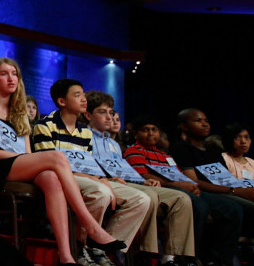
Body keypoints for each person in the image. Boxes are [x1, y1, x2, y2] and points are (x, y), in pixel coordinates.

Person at [0, 58, 124, 266]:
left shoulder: (19, 112)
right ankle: (91, 225)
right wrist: (26, 159)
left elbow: (28, 152)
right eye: (4, 74)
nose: (11, 78)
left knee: (51, 177)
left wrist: (28, 160)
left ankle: (66, 257)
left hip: (19, 165)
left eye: (14, 74)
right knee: (56, 157)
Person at [31, 79, 150, 264]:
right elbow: (47, 164)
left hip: (86, 177)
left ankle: (99, 250)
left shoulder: (85, 132)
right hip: (63, 178)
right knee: (100, 192)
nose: (83, 99)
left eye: (84, 95)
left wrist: (101, 178)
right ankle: (80, 248)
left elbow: (88, 164)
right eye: (77, 95)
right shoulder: (44, 126)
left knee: (141, 199)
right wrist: (97, 180)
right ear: (62, 101)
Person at [83, 91, 196, 266]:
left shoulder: (113, 144)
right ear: (88, 115)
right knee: (149, 196)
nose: (109, 117)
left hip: (124, 182)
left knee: (181, 199)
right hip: (101, 182)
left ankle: (172, 258)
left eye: (111, 112)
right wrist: (105, 178)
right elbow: (83, 166)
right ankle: (142, 253)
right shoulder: (83, 136)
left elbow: (124, 170)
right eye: (102, 112)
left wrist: (142, 181)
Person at [124, 116, 242, 266]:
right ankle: (188, 258)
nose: (151, 133)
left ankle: (220, 261)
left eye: (154, 130)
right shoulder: (133, 151)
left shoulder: (166, 156)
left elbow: (180, 175)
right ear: (136, 133)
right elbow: (143, 176)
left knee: (232, 209)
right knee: (199, 207)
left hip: (183, 188)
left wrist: (192, 186)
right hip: (163, 189)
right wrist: (178, 185)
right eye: (145, 130)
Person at [169, 109, 254, 235]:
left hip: (225, 191)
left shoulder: (213, 151)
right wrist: (235, 191)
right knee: (237, 209)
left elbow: (226, 180)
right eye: (198, 121)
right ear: (184, 126)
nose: (205, 124)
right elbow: (192, 181)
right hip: (205, 193)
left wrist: (242, 190)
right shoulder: (181, 148)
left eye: (206, 121)